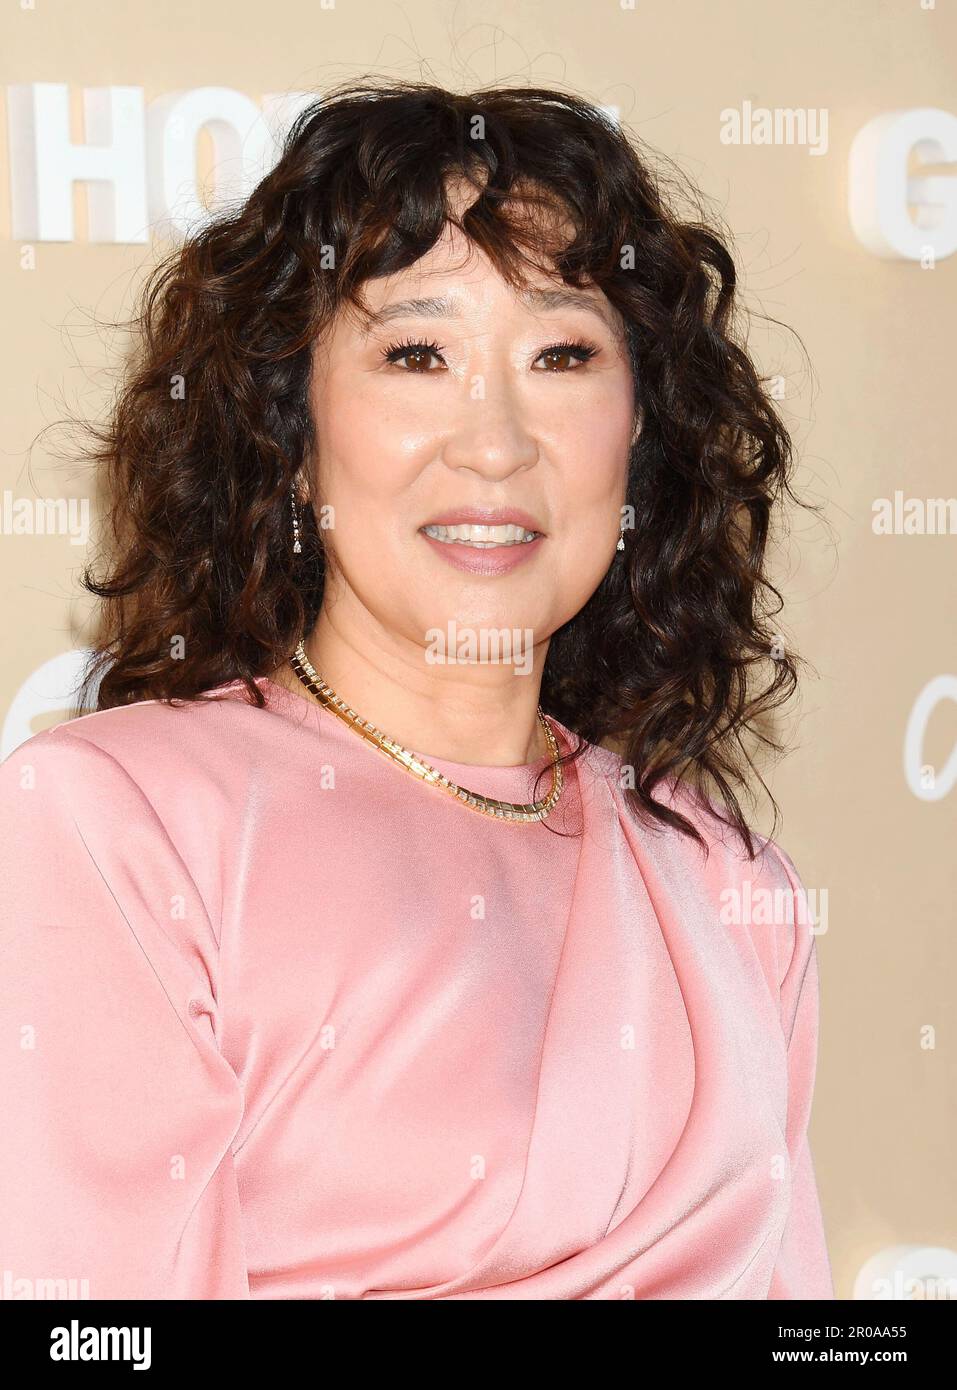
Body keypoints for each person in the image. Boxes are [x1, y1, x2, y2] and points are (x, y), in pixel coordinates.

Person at [0, 78, 833, 1300]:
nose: (493, 441)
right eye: (416, 353)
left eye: (561, 353)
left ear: (641, 441)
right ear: (291, 438)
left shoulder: (724, 883)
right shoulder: (116, 826)